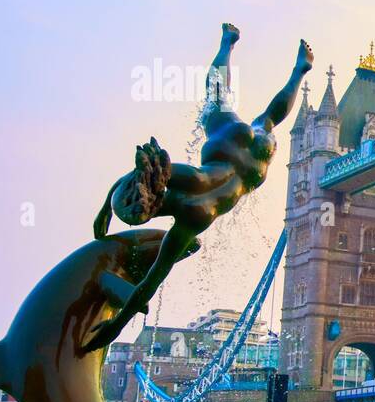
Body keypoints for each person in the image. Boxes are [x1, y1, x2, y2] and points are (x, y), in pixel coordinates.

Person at [85, 23, 311, 351]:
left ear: (152, 213)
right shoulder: (185, 177)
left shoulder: (193, 219)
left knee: (258, 115)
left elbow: (151, 282)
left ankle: (293, 70)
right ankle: (235, 46)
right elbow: (145, 174)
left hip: (254, 164)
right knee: (217, 99)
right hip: (234, 143)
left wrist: (116, 327)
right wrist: (106, 209)